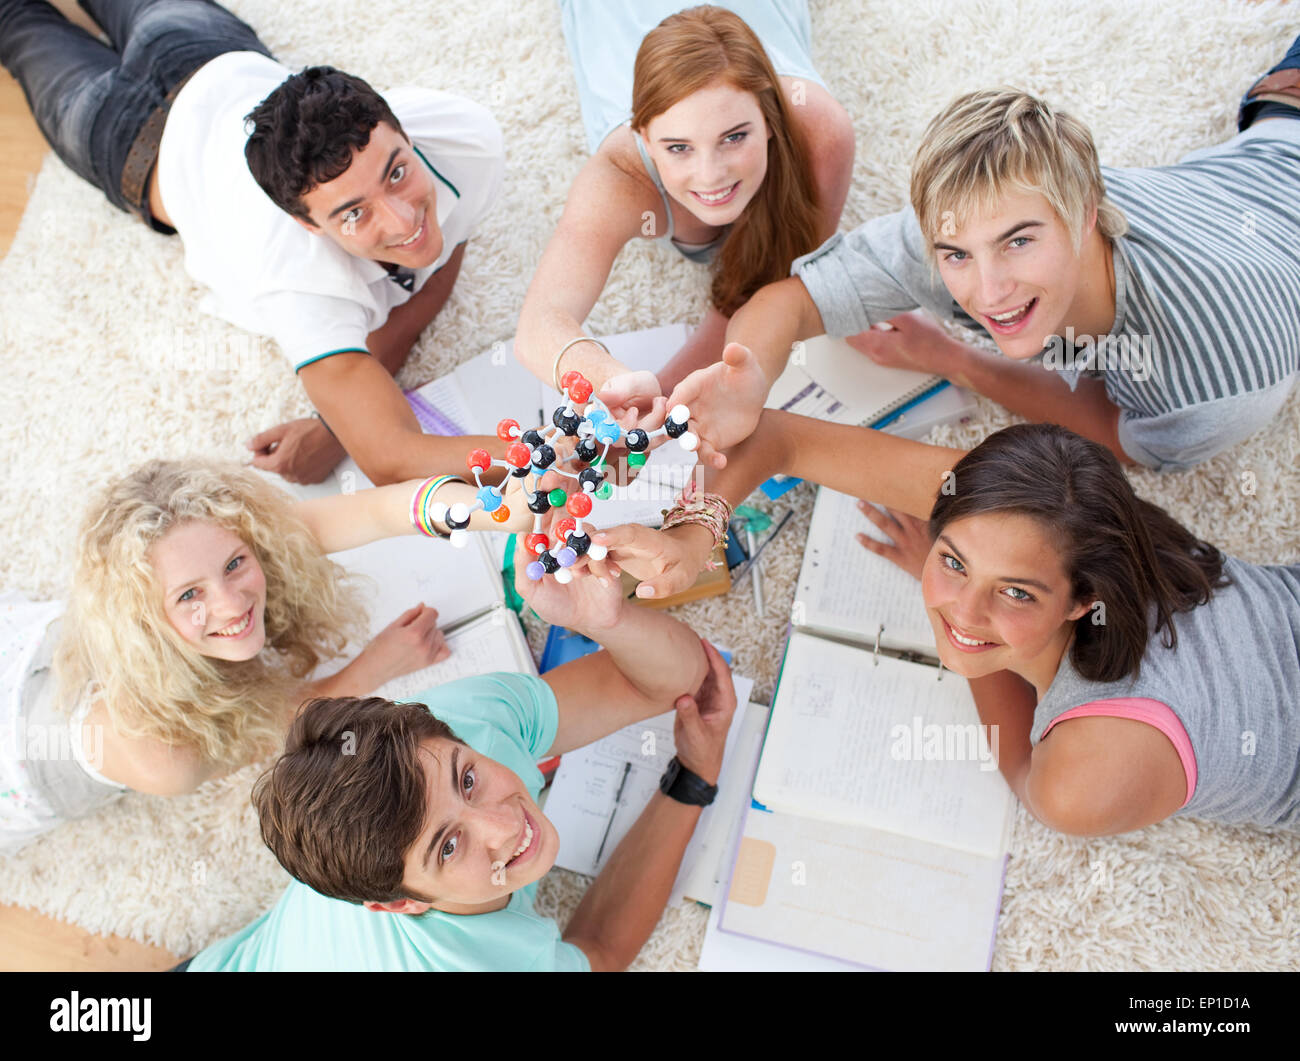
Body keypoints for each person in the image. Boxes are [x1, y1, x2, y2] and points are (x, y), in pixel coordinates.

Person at [593, 412, 1300, 835]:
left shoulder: (1084, 776)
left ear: (1086, 599)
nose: (962, 610)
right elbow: (776, 437)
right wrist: (690, 541)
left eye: (1016, 592)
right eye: (955, 561)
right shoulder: (1047, 504)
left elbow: (1024, 769)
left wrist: (966, 644)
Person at [671, 41, 1300, 472]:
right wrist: (748, 377)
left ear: (1086, 213)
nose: (990, 291)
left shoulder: (1215, 386)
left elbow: (1117, 434)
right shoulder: (971, 222)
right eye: (956, 255)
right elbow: (790, 300)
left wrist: (951, 357)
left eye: (1019, 242)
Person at [0, 0, 506, 486]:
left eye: (396, 172)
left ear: (405, 131)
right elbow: (390, 457)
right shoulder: (296, 278)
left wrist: (337, 426)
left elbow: (444, 253)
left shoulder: (463, 138)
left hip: (199, 46)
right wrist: (550, 458)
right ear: (306, 224)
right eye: (353, 213)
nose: (402, 221)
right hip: (124, 139)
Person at [183, 545, 734, 971]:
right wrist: (693, 779)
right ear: (401, 904)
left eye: (468, 780)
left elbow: (671, 678)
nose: (503, 824)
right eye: (447, 846)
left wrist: (606, 620)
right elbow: (600, 952)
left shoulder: (459, 723)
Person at [0, 458, 531, 855]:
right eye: (190, 595)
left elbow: (378, 509)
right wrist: (375, 666)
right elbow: (269, 724)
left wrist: (508, 509)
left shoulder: (184, 566)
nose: (232, 603)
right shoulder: (160, 754)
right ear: (142, 621)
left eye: (234, 564)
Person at [515, 1, 853, 452]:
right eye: (678, 147)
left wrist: (667, 394)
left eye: (735, 137)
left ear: (771, 119)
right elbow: (539, 325)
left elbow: (783, 285)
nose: (711, 175)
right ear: (644, 138)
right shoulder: (622, 174)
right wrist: (616, 381)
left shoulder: (819, 129)